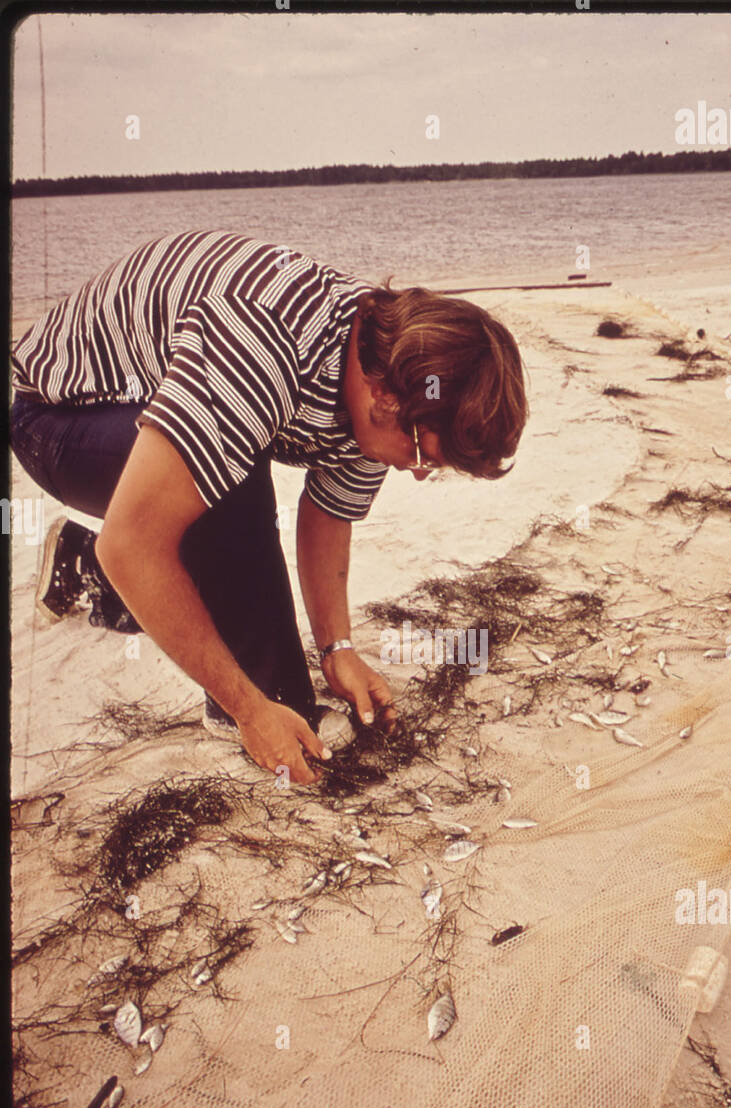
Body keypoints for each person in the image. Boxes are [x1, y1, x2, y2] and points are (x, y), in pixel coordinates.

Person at [10, 229, 527, 785]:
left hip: (153, 402)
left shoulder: (385, 363)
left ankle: (82, 564)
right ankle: (245, 701)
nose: (420, 470)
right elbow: (131, 545)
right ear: (385, 396)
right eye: (424, 451)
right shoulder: (264, 344)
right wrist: (250, 708)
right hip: (55, 416)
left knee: (223, 474)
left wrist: (338, 649)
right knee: (230, 481)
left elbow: (329, 514)